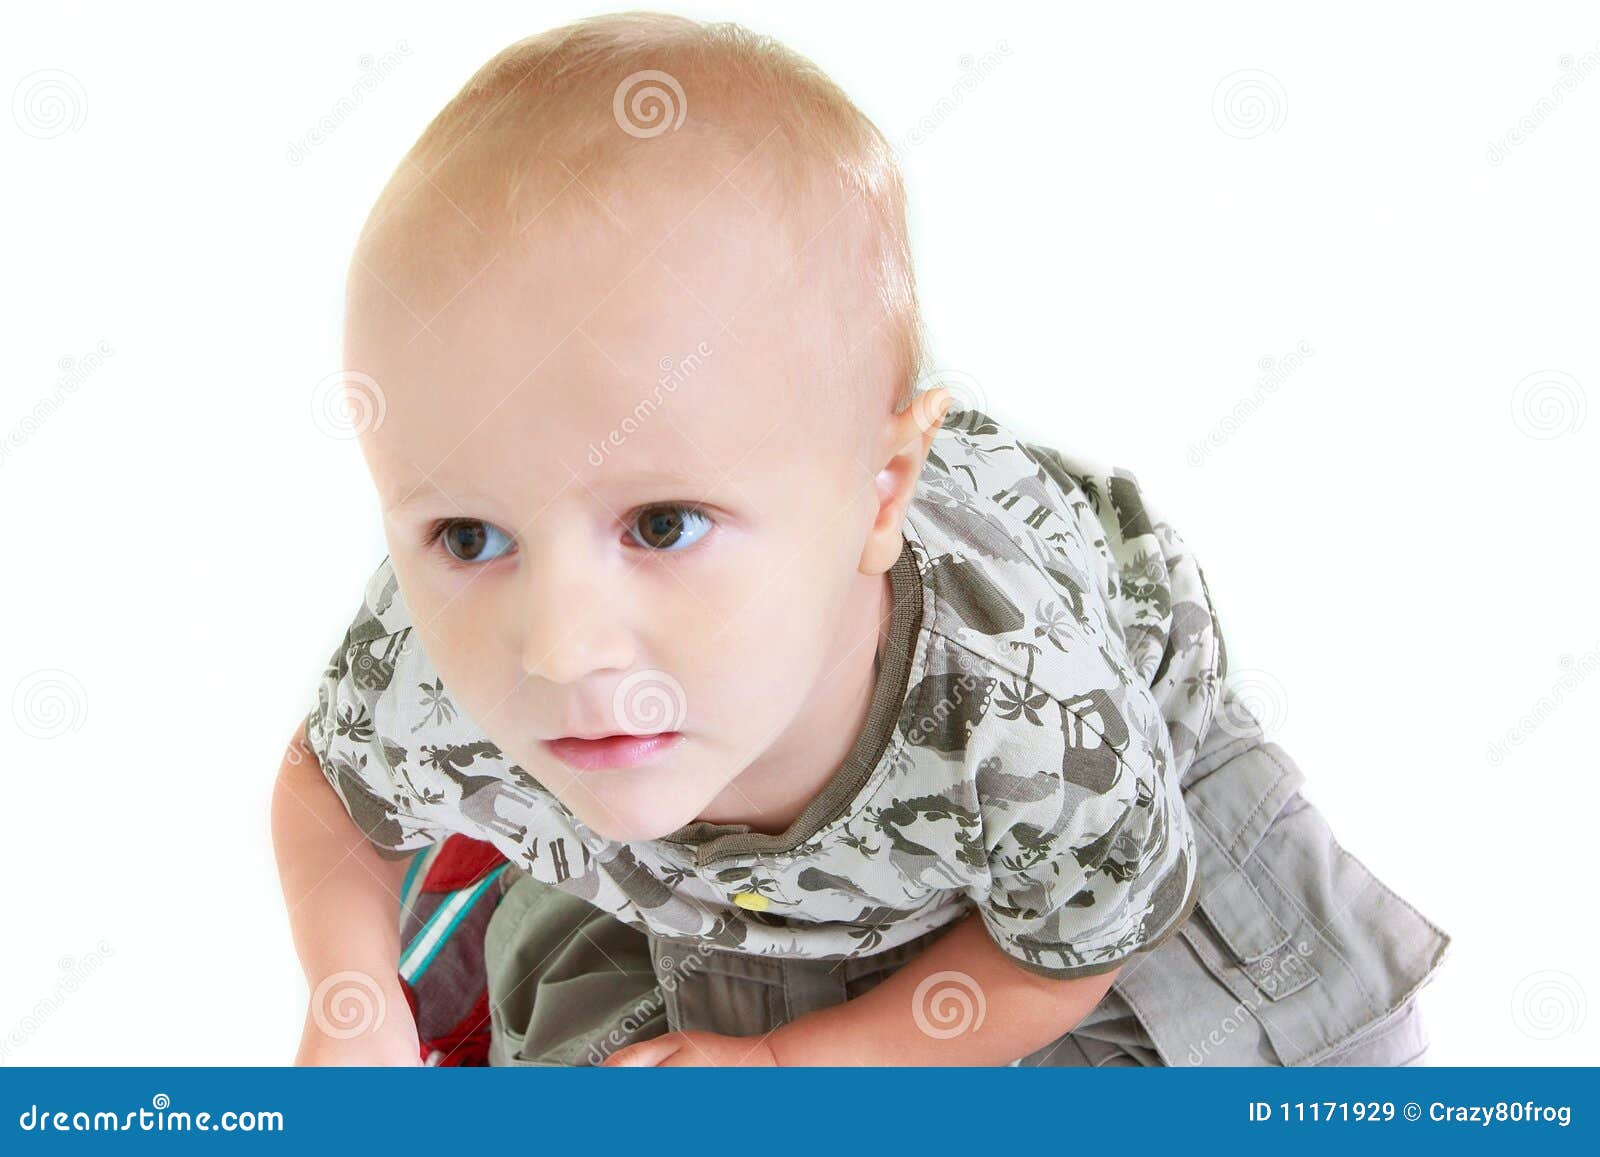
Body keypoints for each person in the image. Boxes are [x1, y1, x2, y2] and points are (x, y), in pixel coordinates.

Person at [273, 11, 1450, 1066]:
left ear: (880, 495)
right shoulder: (434, 659)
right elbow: (326, 786)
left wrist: (803, 1068)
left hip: (1075, 855)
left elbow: (1076, 943)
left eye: (664, 523)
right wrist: (347, 990)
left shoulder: (1029, 710)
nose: (559, 646)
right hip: (709, 877)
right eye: (470, 533)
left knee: (1286, 1072)